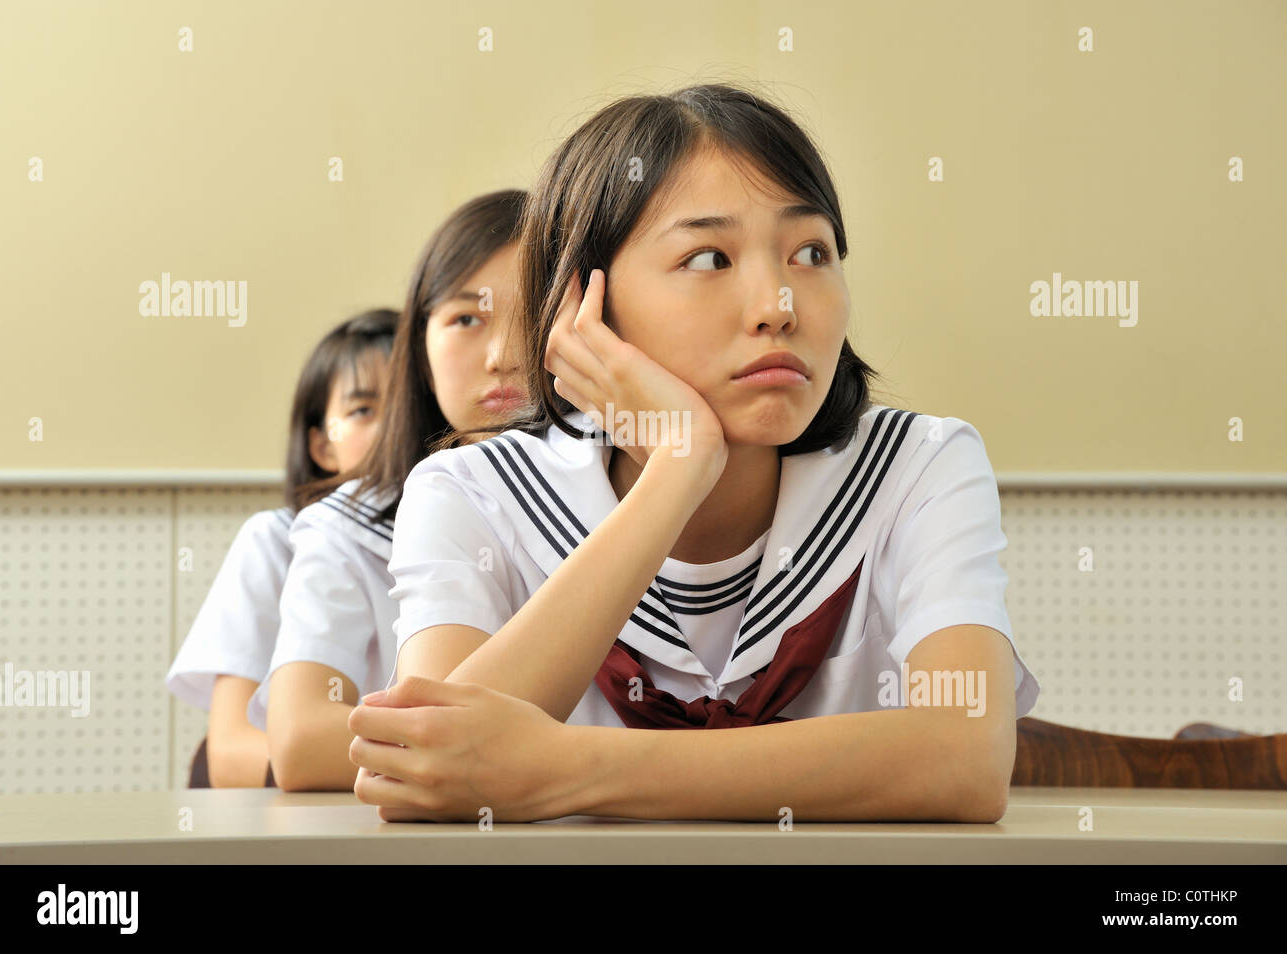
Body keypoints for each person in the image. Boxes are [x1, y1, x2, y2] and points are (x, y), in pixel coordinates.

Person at [352, 83, 1040, 822]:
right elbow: (425, 767)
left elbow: (963, 760)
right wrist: (679, 465)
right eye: (709, 257)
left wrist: (565, 769)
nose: (778, 305)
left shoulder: (921, 465)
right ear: (584, 308)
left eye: (811, 251)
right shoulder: (471, 492)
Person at [251, 189, 529, 791]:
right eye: (466, 319)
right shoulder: (347, 526)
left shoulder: (630, 490)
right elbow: (297, 743)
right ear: (421, 352)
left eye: (534, 313)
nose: (503, 354)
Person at [164, 308, 398, 787]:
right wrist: (428, 769)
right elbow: (229, 754)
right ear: (320, 446)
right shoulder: (273, 541)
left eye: (406, 408)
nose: (391, 430)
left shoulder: (467, 536)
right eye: (363, 411)